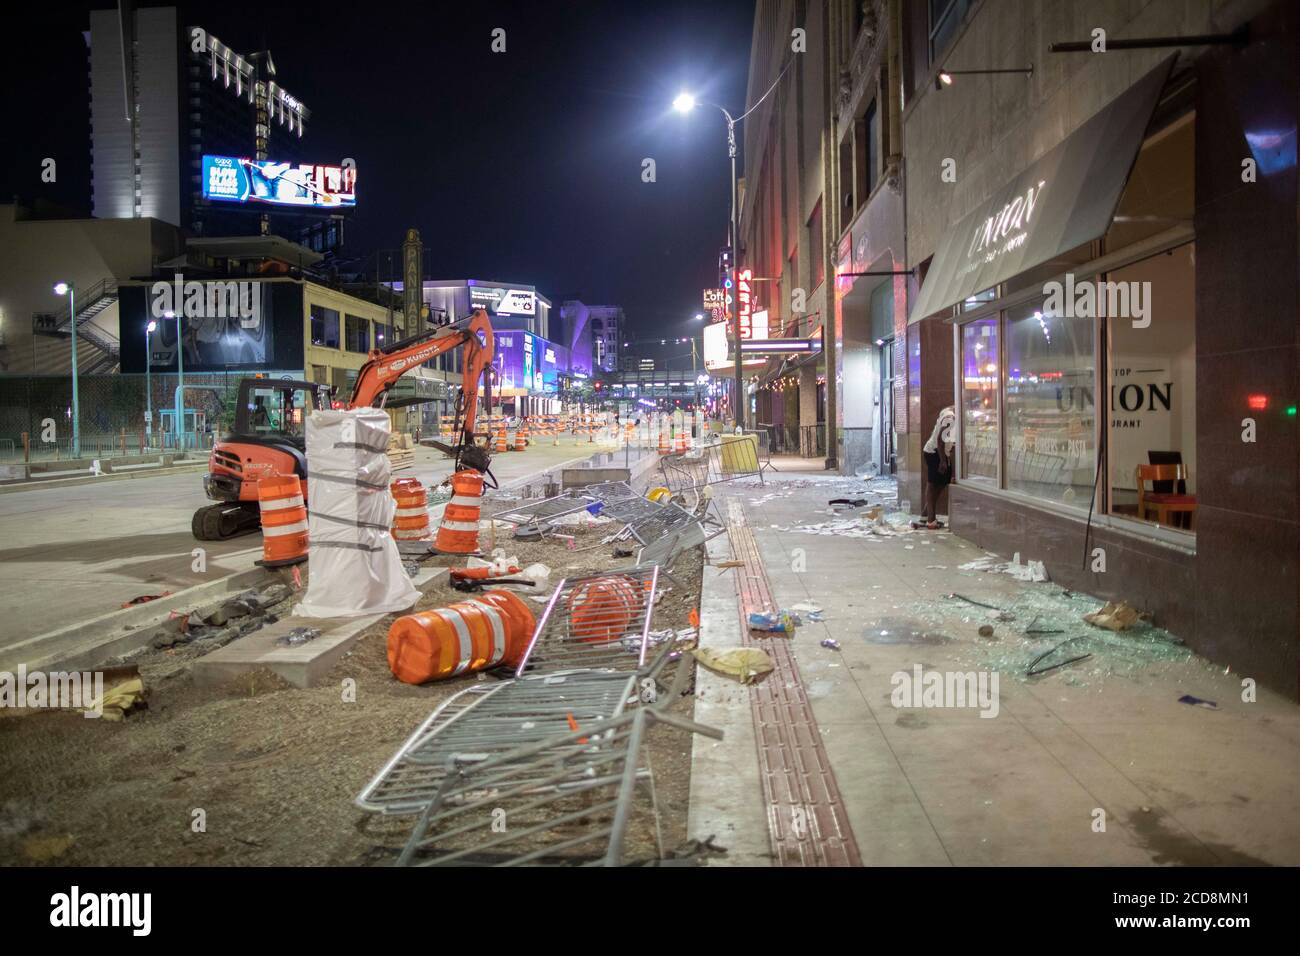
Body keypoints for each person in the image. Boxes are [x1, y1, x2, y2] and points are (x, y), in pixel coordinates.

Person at [917, 404, 956, 530]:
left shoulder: (947, 411)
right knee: (933, 484)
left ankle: (925, 515)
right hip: (935, 452)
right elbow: (940, 440)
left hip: (939, 452)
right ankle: (931, 520)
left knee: (942, 481)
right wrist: (943, 461)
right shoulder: (950, 418)